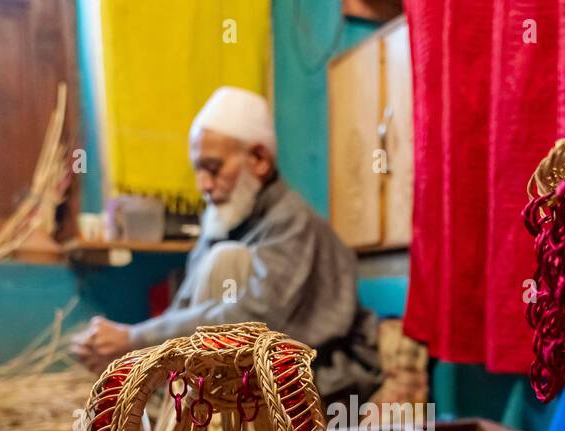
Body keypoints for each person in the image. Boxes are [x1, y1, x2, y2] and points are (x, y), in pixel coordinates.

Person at [71, 87, 382, 405]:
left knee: (227, 261)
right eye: (198, 170)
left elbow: (254, 322)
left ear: (259, 160)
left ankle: (193, 425)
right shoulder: (224, 217)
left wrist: (133, 338)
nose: (203, 185)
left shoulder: (292, 221)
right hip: (252, 372)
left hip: (322, 375)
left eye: (214, 168)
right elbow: (187, 308)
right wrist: (133, 348)